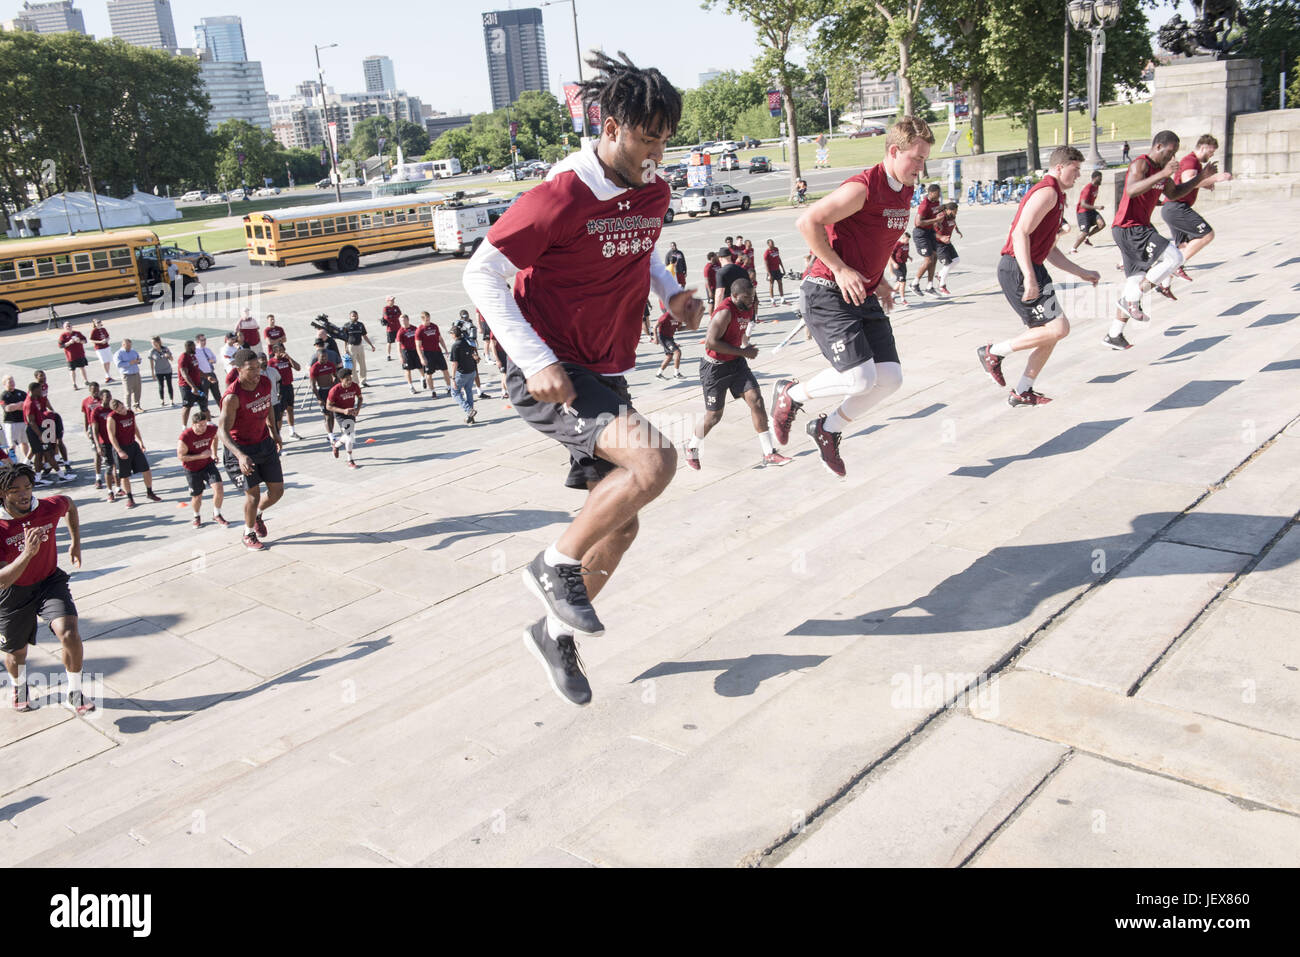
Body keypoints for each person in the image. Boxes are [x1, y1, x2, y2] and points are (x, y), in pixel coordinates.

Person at [463, 51, 701, 706]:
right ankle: (552, 565)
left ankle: (551, 632)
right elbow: (479, 274)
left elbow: (643, 242)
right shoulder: (561, 193)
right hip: (554, 370)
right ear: (611, 124)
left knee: (621, 524)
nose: (657, 151)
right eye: (646, 137)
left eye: (664, 138)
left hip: (607, 368)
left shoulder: (653, 186)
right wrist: (534, 358)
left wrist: (672, 295)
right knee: (654, 463)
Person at [770, 115, 935, 478]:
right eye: (917, 158)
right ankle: (791, 394)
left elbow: (873, 239)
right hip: (827, 291)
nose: (922, 167)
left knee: (890, 379)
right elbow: (808, 222)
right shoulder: (863, 187)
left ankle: (827, 428)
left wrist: (880, 281)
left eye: (925, 159)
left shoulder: (905, 188)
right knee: (861, 378)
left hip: (863, 294)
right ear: (894, 151)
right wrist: (840, 268)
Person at [977, 146, 1101, 407]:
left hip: (1032, 267)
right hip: (1017, 269)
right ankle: (993, 353)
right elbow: (1019, 233)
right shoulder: (1047, 192)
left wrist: (1083, 273)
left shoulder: (1056, 196)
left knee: (1050, 332)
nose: (1078, 175)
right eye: (1075, 169)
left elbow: (1050, 249)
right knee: (1058, 328)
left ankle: (1023, 390)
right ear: (1059, 167)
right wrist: (1030, 278)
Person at [1107, 130, 1219, 349]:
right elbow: (1130, 191)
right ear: (1158, 146)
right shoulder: (1142, 165)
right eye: (1170, 152)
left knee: (1134, 279)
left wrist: (1201, 176)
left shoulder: (1162, 171)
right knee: (1174, 257)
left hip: (1138, 227)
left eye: (1175, 153)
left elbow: (1175, 194)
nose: (1172, 157)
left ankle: (1114, 334)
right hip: (1129, 227)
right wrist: (1162, 174)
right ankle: (1132, 300)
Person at [0, 461, 93, 715]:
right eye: (15, 489)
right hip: (13, 591)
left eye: (28, 487)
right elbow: (2, 580)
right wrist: (27, 554)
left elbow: (70, 504)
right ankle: (19, 686)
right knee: (17, 654)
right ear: (2, 493)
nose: (24, 494)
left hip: (49, 581)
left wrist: (75, 542)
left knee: (70, 634)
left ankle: (75, 691)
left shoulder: (47, 507)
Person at [685, 277, 791, 470]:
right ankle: (691, 448)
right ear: (734, 296)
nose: (752, 299)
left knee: (756, 401)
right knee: (714, 416)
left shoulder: (747, 306)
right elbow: (711, 342)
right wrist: (744, 352)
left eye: (752, 295)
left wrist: (745, 345)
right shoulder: (725, 312)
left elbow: (739, 332)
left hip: (736, 363)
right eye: (747, 296)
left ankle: (769, 453)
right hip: (715, 368)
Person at [219, 348, 284, 551]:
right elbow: (221, 431)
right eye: (251, 369)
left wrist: (274, 431)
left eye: (259, 367)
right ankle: (248, 533)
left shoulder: (265, 382)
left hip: (264, 443)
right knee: (253, 495)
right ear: (238, 370)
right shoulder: (232, 397)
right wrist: (240, 455)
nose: (257, 372)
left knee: (277, 491)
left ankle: (256, 515)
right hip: (241, 450)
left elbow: (269, 406)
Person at [1161, 133, 1232, 278]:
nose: (1211, 155)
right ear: (1203, 147)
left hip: (1172, 208)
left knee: (1183, 247)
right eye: (1211, 151)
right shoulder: (1191, 161)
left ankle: (1162, 280)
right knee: (1207, 234)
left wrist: (1206, 184)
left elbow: (1189, 182)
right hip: (1177, 207)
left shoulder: (1195, 163)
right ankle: (1174, 266)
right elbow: (1189, 180)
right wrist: (1216, 178)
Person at [177, 410, 228, 528]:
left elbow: (216, 437)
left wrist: (214, 453)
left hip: (207, 464)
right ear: (193, 424)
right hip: (192, 469)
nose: (204, 427)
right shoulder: (185, 437)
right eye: (200, 425)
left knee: (219, 488)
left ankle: (217, 514)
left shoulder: (210, 429)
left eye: (205, 424)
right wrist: (200, 456)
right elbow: (181, 457)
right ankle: (196, 516)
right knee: (197, 496)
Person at [106, 398, 160, 507]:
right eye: (120, 410)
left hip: (133, 445)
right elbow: (111, 436)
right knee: (124, 475)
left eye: (122, 407)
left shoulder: (130, 413)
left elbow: (135, 428)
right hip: (121, 448)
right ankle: (130, 498)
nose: (123, 411)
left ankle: (150, 492)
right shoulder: (112, 418)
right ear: (115, 411)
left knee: (146, 469)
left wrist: (140, 441)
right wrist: (119, 451)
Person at [23, 382, 62, 485]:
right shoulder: (30, 403)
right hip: (34, 431)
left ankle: (38, 477)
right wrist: (40, 435)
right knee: (43, 453)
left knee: (40, 454)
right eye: (39, 389)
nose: (41, 391)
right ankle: (60, 475)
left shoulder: (35, 400)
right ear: (34, 390)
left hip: (38, 429)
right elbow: (31, 421)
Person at [325, 367, 363, 468]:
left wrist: (358, 409)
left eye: (350, 378)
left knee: (348, 436)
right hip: (340, 414)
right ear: (341, 380)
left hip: (351, 413)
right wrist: (343, 411)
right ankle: (350, 460)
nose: (349, 381)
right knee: (350, 436)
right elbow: (328, 406)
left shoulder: (355, 386)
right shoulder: (335, 390)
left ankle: (336, 445)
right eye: (347, 379)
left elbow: (360, 398)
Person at [911, 183, 943, 297]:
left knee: (934, 258)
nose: (939, 195)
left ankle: (929, 286)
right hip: (921, 233)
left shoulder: (937, 202)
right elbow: (918, 222)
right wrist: (935, 220)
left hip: (930, 232)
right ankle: (914, 284)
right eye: (938, 193)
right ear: (931, 193)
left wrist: (938, 223)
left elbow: (936, 216)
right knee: (928, 260)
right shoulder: (924, 205)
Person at [268, 342, 302, 439]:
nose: (283, 352)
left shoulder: (286, 359)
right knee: (280, 413)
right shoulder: (271, 362)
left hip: (288, 386)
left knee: (290, 409)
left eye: (283, 350)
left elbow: (298, 368)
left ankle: (292, 431)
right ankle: (278, 435)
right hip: (279, 388)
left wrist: (289, 358)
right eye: (280, 350)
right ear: (275, 351)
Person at [89, 389, 118, 502]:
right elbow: (95, 430)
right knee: (109, 467)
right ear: (101, 398)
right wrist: (97, 445)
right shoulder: (97, 411)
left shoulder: (113, 409)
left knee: (117, 467)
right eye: (107, 397)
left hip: (115, 441)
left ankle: (118, 488)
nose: (109, 398)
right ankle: (109, 491)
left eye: (110, 396)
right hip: (104, 443)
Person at [309, 346, 340, 449]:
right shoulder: (315, 368)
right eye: (322, 357)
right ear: (318, 357)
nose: (325, 359)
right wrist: (318, 398)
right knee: (326, 415)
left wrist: (336, 382)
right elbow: (313, 385)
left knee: (332, 414)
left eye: (326, 357)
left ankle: (330, 434)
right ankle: (331, 436)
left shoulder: (331, 365)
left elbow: (336, 376)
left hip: (331, 392)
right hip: (322, 391)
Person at [448, 323, 479, 425]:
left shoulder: (455, 346)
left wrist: (453, 378)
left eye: (451, 334)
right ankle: (471, 417)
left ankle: (468, 410)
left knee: (455, 392)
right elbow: (474, 354)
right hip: (472, 371)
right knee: (468, 392)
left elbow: (454, 364)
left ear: (454, 335)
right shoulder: (467, 341)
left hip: (462, 373)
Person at [415, 312, 451, 397]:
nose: (428, 321)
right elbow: (418, 346)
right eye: (426, 320)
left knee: (445, 370)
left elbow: (440, 339)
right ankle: (433, 391)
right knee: (429, 374)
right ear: (422, 319)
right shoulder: (419, 330)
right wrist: (421, 358)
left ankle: (449, 387)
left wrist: (445, 349)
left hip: (437, 352)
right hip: (427, 354)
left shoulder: (434, 326)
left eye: (429, 319)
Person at [1070, 170, 1106, 253]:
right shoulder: (1088, 188)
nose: (1101, 180)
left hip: (1091, 210)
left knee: (1101, 224)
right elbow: (1083, 204)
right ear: (1095, 178)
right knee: (1084, 232)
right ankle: (1073, 248)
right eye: (1100, 179)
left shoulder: (1096, 186)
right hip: (1083, 212)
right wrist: (1097, 207)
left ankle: (1087, 237)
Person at [177, 340, 209, 427]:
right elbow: (184, 374)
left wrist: (207, 376)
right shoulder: (183, 358)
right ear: (189, 347)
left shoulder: (193, 356)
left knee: (204, 404)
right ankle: (184, 426)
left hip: (198, 385)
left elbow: (196, 370)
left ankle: (209, 423)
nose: (195, 348)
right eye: (194, 346)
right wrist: (193, 387)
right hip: (187, 387)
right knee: (187, 406)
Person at [934, 202, 963, 295]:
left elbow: (954, 223)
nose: (956, 213)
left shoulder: (952, 216)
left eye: (956, 211)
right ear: (948, 210)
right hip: (939, 244)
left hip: (947, 241)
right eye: (954, 211)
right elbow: (931, 231)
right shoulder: (941, 217)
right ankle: (942, 285)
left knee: (956, 260)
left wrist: (958, 231)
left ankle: (939, 274)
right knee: (948, 264)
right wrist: (941, 237)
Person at [341, 310, 374, 387]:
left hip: (360, 346)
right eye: (353, 316)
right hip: (351, 347)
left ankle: (363, 381)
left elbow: (364, 336)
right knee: (353, 366)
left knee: (362, 364)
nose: (354, 317)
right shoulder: (347, 326)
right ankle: (355, 382)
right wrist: (345, 348)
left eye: (355, 315)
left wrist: (371, 345)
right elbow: (345, 338)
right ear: (350, 317)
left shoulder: (360, 325)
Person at [56, 321, 91, 390]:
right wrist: (68, 343)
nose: (68, 327)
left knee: (82, 367)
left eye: (69, 326)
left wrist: (79, 341)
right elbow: (60, 345)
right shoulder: (63, 335)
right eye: (67, 326)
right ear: (64, 328)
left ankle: (86, 381)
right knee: (72, 370)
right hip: (70, 356)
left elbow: (85, 341)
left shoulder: (77, 333)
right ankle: (74, 384)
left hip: (80, 354)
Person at [1, 376, 29, 463]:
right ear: (4, 384)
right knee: (11, 444)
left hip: (23, 421)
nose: (12, 383)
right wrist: (19, 404)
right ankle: (13, 462)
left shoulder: (21, 393)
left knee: (24, 441)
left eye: (13, 381)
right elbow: (7, 408)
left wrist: (15, 406)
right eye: (10, 382)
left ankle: (27, 460)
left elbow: (27, 406)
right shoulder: (3, 395)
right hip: (11, 423)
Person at [653, 307, 685, 379]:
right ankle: (676, 374)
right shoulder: (667, 315)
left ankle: (659, 374)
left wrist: (690, 327)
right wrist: (656, 338)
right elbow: (655, 326)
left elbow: (679, 328)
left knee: (669, 356)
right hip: (663, 338)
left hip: (670, 338)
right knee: (677, 352)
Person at [114, 338, 144, 412]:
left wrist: (138, 361)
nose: (129, 347)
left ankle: (137, 406)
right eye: (128, 346)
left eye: (130, 345)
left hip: (136, 373)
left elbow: (138, 358)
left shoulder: (133, 351)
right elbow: (118, 364)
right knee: (128, 392)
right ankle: (128, 408)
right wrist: (129, 363)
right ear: (123, 345)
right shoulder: (119, 353)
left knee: (137, 390)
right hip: (126, 375)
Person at [396, 314, 423, 393]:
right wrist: (400, 356)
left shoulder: (414, 328)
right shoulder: (400, 332)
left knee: (420, 367)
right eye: (401, 321)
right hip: (406, 352)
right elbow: (398, 345)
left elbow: (420, 339)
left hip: (415, 351)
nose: (403, 322)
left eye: (404, 320)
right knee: (407, 370)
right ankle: (411, 386)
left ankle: (422, 378)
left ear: (408, 320)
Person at [148, 336, 175, 407]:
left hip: (167, 369)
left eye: (154, 343)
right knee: (161, 386)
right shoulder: (152, 351)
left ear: (158, 342)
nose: (153, 344)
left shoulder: (165, 349)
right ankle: (162, 400)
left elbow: (172, 359)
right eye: (152, 343)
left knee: (169, 385)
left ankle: (171, 400)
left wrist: (168, 356)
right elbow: (151, 363)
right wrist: (152, 373)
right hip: (159, 371)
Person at [89, 318, 114, 383]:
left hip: (106, 347)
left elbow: (108, 337)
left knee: (108, 361)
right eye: (97, 322)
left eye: (99, 322)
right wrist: (100, 342)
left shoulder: (103, 329)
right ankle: (107, 376)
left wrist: (106, 340)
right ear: (94, 324)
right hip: (99, 348)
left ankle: (108, 375)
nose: (98, 323)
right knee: (104, 362)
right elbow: (91, 340)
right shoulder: (94, 331)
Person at [889, 233, 910, 305]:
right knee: (902, 282)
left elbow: (905, 252)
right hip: (897, 265)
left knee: (899, 282)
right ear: (903, 238)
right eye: (906, 240)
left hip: (903, 264)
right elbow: (890, 255)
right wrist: (894, 263)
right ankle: (903, 299)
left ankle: (891, 297)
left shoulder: (907, 244)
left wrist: (909, 257)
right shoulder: (897, 244)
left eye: (908, 240)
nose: (907, 242)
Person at [763, 239, 787, 306]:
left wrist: (782, 268)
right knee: (771, 285)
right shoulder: (766, 253)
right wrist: (769, 274)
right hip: (771, 271)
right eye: (771, 244)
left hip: (777, 270)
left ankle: (782, 299)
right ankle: (772, 300)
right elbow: (766, 264)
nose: (773, 244)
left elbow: (779, 259)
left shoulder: (776, 249)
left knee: (780, 283)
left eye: (773, 243)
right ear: (768, 244)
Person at [380, 296, 403, 361]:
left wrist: (392, 316)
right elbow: (386, 317)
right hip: (390, 329)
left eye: (393, 300)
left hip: (398, 327)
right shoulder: (385, 308)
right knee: (389, 342)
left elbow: (400, 315)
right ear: (387, 301)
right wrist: (395, 316)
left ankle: (401, 353)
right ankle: (388, 355)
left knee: (400, 341)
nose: (393, 301)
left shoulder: (396, 307)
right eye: (391, 300)